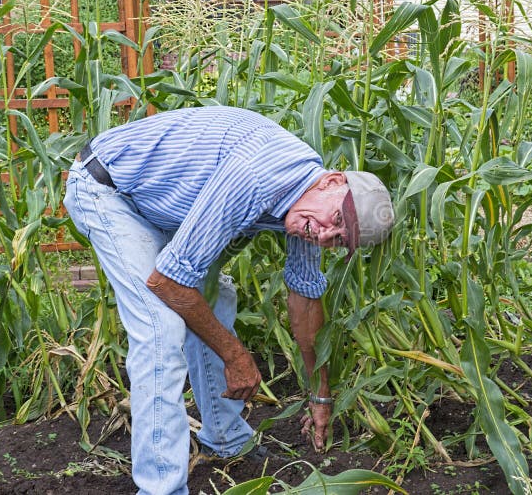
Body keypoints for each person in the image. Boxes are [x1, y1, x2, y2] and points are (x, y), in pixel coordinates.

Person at [62, 106, 394, 495]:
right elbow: (167, 282)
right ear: (332, 182)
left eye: (338, 240)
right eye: (336, 221)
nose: (323, 237)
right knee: (160, 329)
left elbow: (305, 297)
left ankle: (226, 439)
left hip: (159, 208)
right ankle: (160, 489)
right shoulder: (259, 175)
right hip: (109, 189)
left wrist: (319, 394)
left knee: (217, 300)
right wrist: (237, 357)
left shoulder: (305, 202)